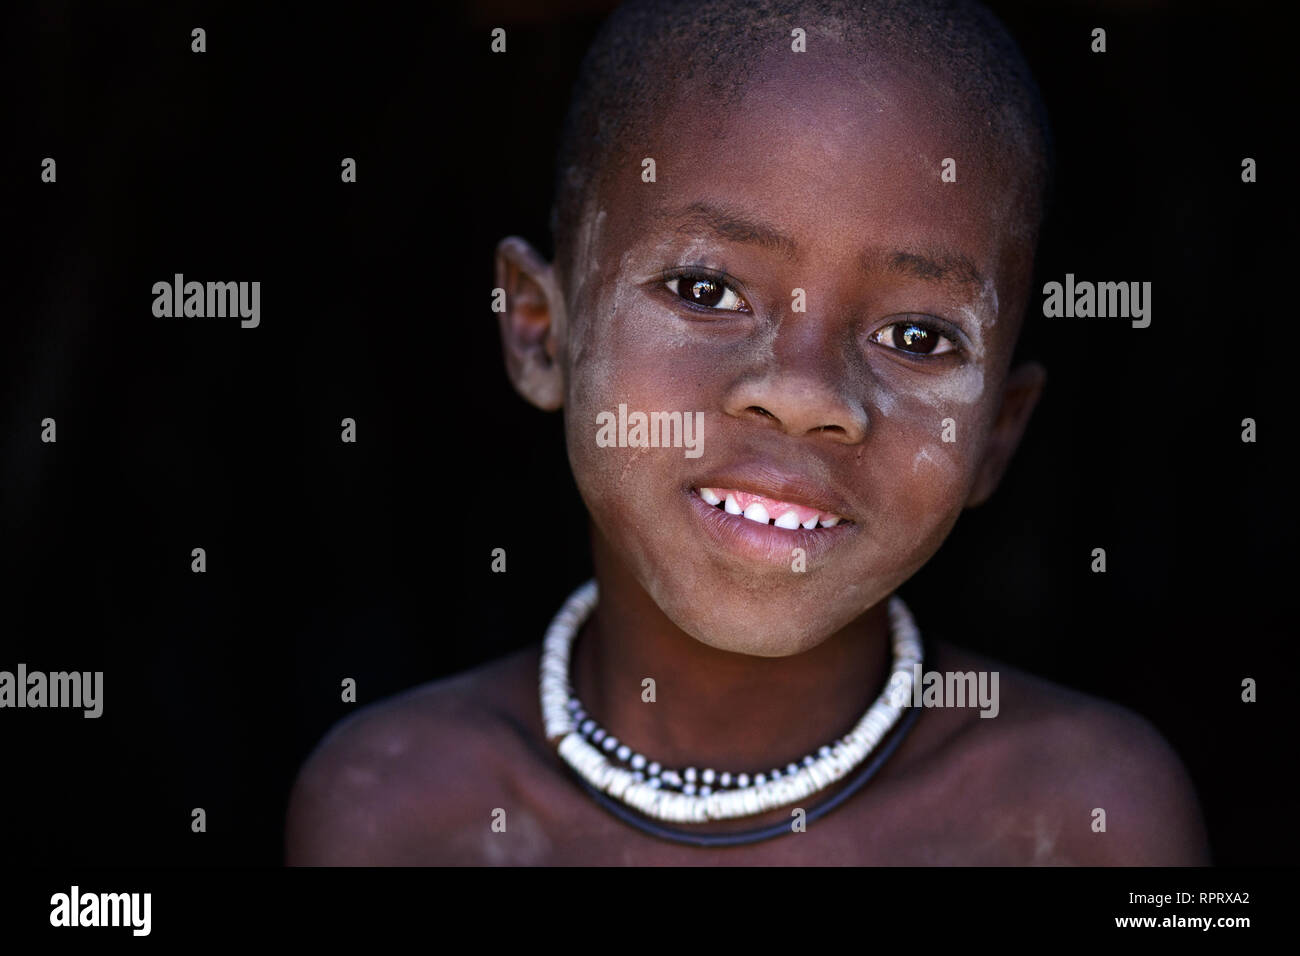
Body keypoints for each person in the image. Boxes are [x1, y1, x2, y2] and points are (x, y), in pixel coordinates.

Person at [285, 0, 1211, 865]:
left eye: (917, 337)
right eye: (706, 291)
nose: (805, 394)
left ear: (999, 434)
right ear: (541, 329)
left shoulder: (1083, 817)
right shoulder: (392, 810)